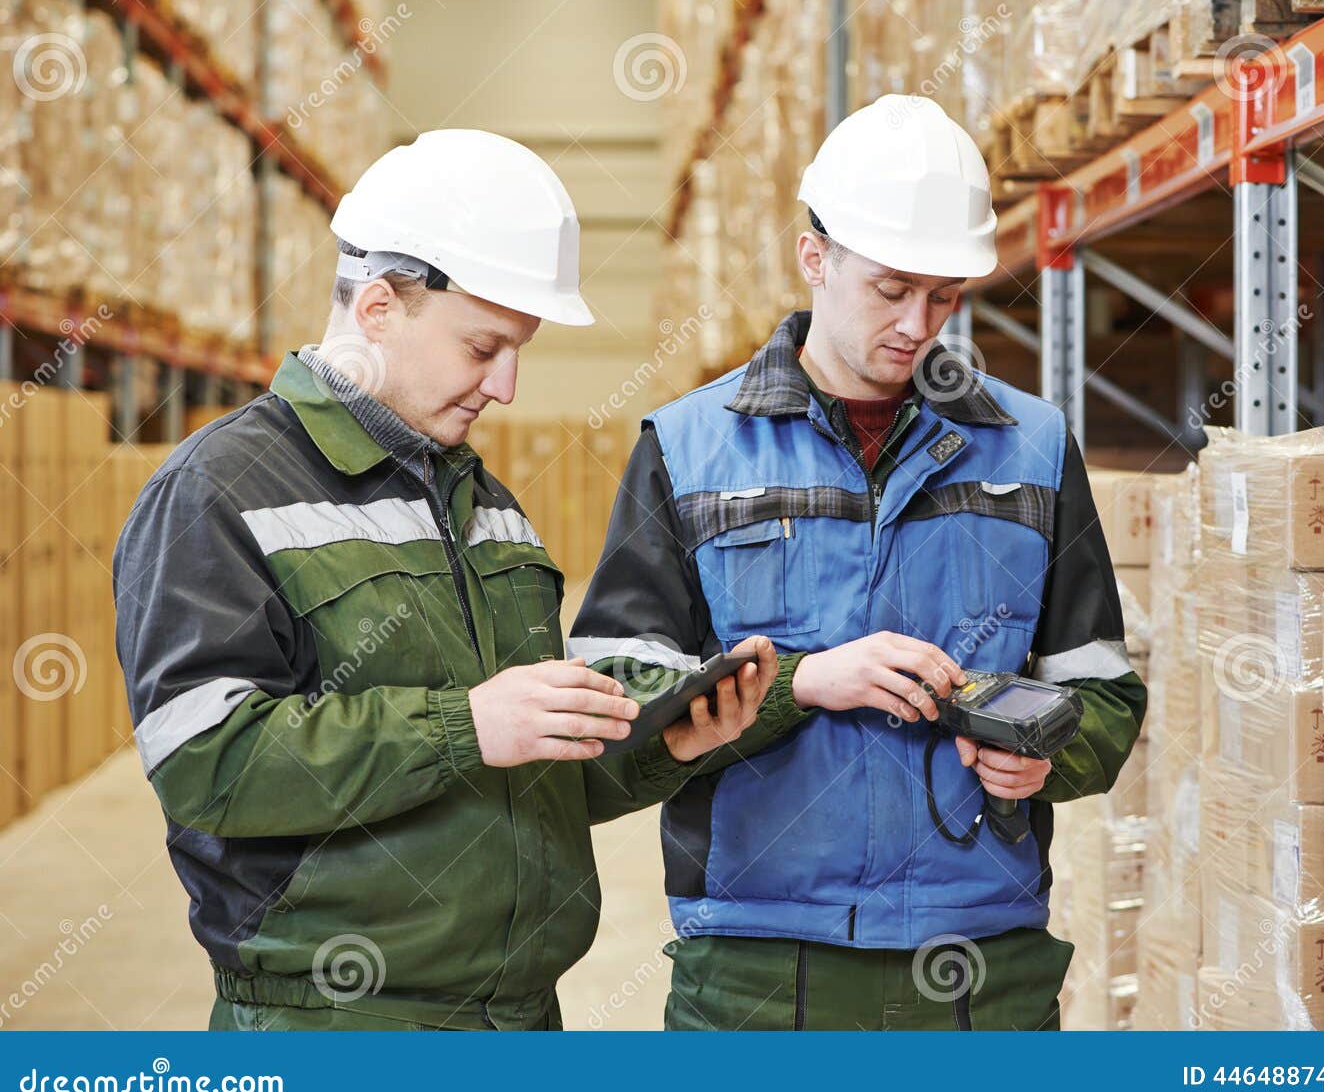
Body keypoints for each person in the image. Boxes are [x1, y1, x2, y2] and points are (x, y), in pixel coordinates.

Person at [112, 129, 787, 1031]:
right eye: (483, 347)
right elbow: (206, 765)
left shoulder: (483, 504)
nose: (505, 386)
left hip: (517, 1019)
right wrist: (462, 724)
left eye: (520, 349)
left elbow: (523, 773)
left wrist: (666, 749)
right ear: (381, 307)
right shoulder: (216, 491)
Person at [571, 96, 1146, 1030]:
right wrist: (805, 682)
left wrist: (1047, 759)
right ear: (816, 259)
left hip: (980, 969)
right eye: (890, 289)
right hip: (756, 968)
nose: (919, 325)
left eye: (945, 296)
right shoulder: (687, 448)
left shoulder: (1034, 447)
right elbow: (618, 697)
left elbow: (1104, 690)